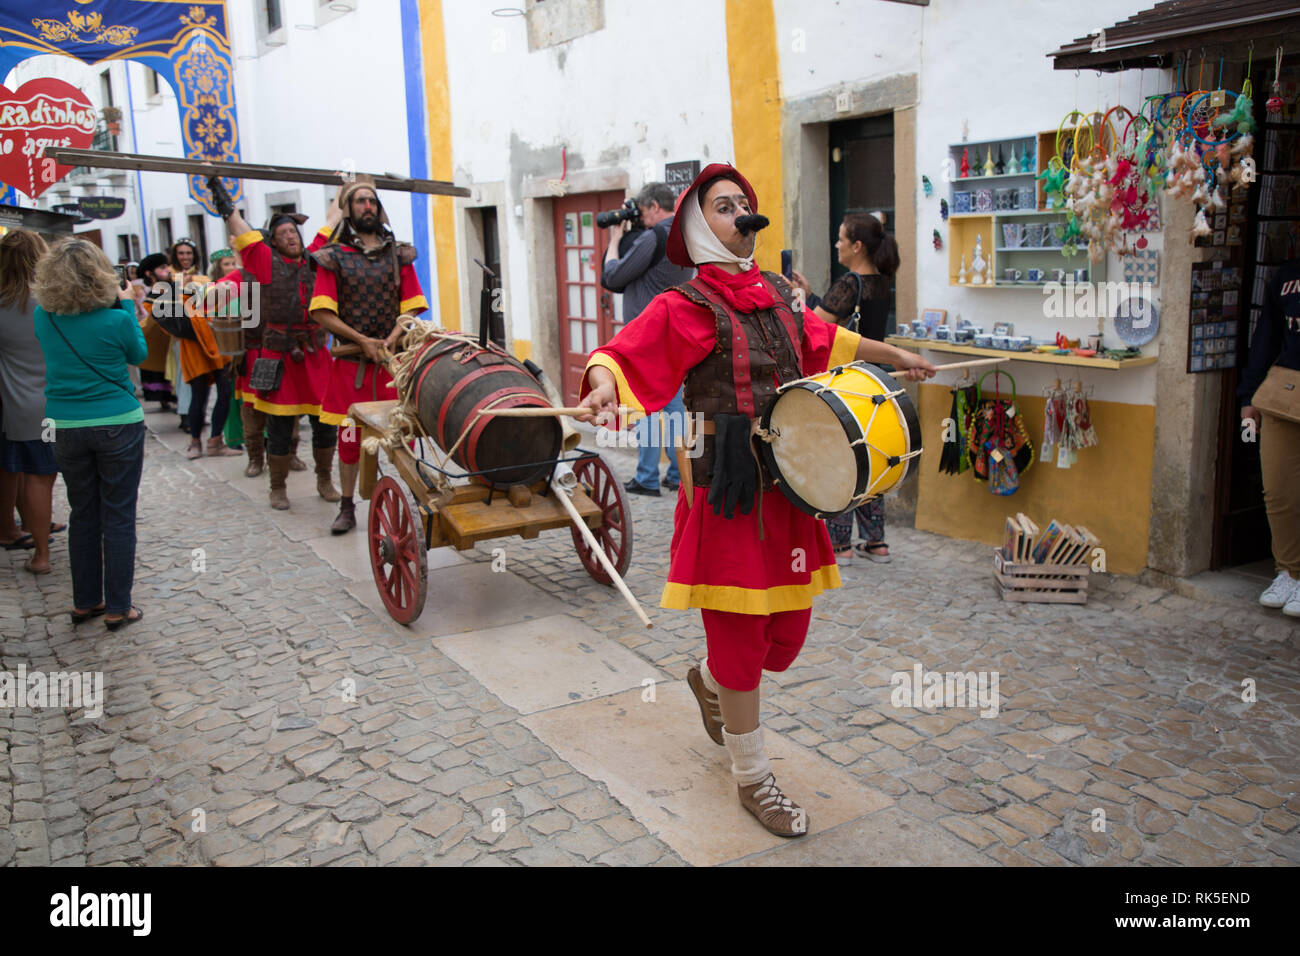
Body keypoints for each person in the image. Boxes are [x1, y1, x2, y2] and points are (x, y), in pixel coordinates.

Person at [576, 164, 935, 836]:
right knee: (743, 644)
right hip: (726, 493)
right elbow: (623, 355)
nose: (741, 213)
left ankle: (710, 681)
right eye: (722, 205)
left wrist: (897, 356)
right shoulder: (684, 305)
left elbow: (827, 342)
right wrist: (602, 384)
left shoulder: (775, 294)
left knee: (785, 640)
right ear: (694, 226)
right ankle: (753, 776)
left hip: (790, 490)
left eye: (744, 202)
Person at [32, 238, 148, 630]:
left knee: (83, 513)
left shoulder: (43, 318)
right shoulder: (116, 319)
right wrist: (128, 303)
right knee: (118, 514)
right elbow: (139, 355)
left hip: (64, 425)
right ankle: (119, 606)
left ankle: (85, 601)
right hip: (117, 421)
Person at [209, 177, 341, 508]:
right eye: (283, 235)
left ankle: (325, 480)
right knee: (279, 426)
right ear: (273, 241)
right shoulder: (263, 262)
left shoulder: (316, 258)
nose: (290, 237)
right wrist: (216, 186)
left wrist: (347, 187)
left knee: (326, 424)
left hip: (314, 353)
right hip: (277, 354)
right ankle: (277, 487)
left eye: (294, 233)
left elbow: (331, 220)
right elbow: (237, 223)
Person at [309, 180, 428, 534]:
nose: (367, 207)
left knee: (404, 433)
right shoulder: (333, 258)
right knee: (349, 440)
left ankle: (414, 497)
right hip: (351, 368)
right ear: (348, 209)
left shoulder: (399, 254)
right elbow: (322, 311)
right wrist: (362, 340)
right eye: (360, 201)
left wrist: (390, 340)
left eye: (372, 201)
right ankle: (347, 506)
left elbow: (412, 306)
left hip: (393, 366)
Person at [791, 211, 899, 563]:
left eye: (840, 238)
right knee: (870, 458)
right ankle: (876, 541)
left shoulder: (849, 283)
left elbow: (817, 327)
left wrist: (797, 298)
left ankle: (840, 544)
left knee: (840, 460)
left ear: (856, 245)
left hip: (845, 385)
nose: (836, 244)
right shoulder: (881, 281)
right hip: (876, 380)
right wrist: (812, 294)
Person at [601, 182, 695, 496]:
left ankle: (646, 477)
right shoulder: (685, 236)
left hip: (645, 337)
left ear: (655, 206)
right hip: (674, 332)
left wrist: (615, 239)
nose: (639, 216)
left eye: (641, 210)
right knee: (675, 405)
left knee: (646, 406)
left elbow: (613, 276)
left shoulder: (654, 237)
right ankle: (679, 473)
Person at [1240, 257, 1300, 616]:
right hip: (1285, 394)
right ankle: (1289, 572)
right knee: (1278, 489)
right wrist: (1249, 397)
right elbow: (1266, 338)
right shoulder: (1286, 276)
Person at [0, 230, 60, 574]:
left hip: (22, 409)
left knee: (36, 479)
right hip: (63, 403)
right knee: (74, 480)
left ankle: (40, 555)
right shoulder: (54, 301)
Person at [177, 255, 240, 460]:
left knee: (224, 392)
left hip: (219, 345)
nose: (230, 267)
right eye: (226, 264)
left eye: (233, 263)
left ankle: (215, 441)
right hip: (196, 347)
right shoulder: (184, 284)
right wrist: (182, 288)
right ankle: (195, 442)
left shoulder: (215, 285)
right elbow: (179, 313)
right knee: (199, 395)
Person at [136, 253, 177, 412]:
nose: (168, 270)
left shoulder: (172, 287)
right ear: (149, 273)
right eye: (162, 268)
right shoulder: (145, 292)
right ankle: (164, 399)